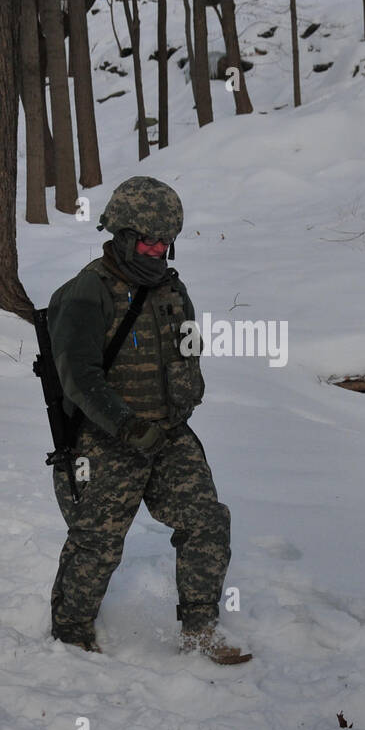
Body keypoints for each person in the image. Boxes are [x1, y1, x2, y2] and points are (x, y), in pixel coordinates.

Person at [46, 176, 250, 664]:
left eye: (165, 240)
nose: (158, 249)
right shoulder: (87, 292)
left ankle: (200, 628)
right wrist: (126, 426)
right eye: (147, 239)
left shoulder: (170, 288)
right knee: (97, 541)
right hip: (108, 438)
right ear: (121, 234)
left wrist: (185, 396)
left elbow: (185, 350)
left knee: (206, 523)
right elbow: (79, 377)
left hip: (169, 434)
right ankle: (72, 636)